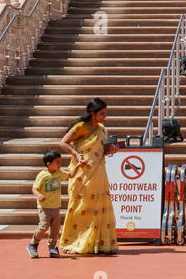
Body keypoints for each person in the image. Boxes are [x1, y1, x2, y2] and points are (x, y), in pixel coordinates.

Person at [57, 98, 120, 256]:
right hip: (82, 172)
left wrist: (111, 150)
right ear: (93, 114)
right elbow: (63, 143)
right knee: (79, 207)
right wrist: (76, 154)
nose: (105, 117)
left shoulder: (102, 129)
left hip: (98, 173)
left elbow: (102, 150)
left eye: (105, 113)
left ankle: (100, 244)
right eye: (102, 114)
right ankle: (73, 243)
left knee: (99, 208)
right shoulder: (80, 127)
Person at [28, 149, 67, 258]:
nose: (60, 164)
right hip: (44, 207)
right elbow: (34, 189)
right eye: (57, 162)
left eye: (60, 161)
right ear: (49, 164)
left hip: (56, 207)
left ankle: (52, 247)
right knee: (44, 226)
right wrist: (39, 195)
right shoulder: (42, 175)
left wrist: (79, 165)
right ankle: (33, 244)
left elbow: (70, 175)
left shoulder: (60, 173)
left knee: (55, 228)